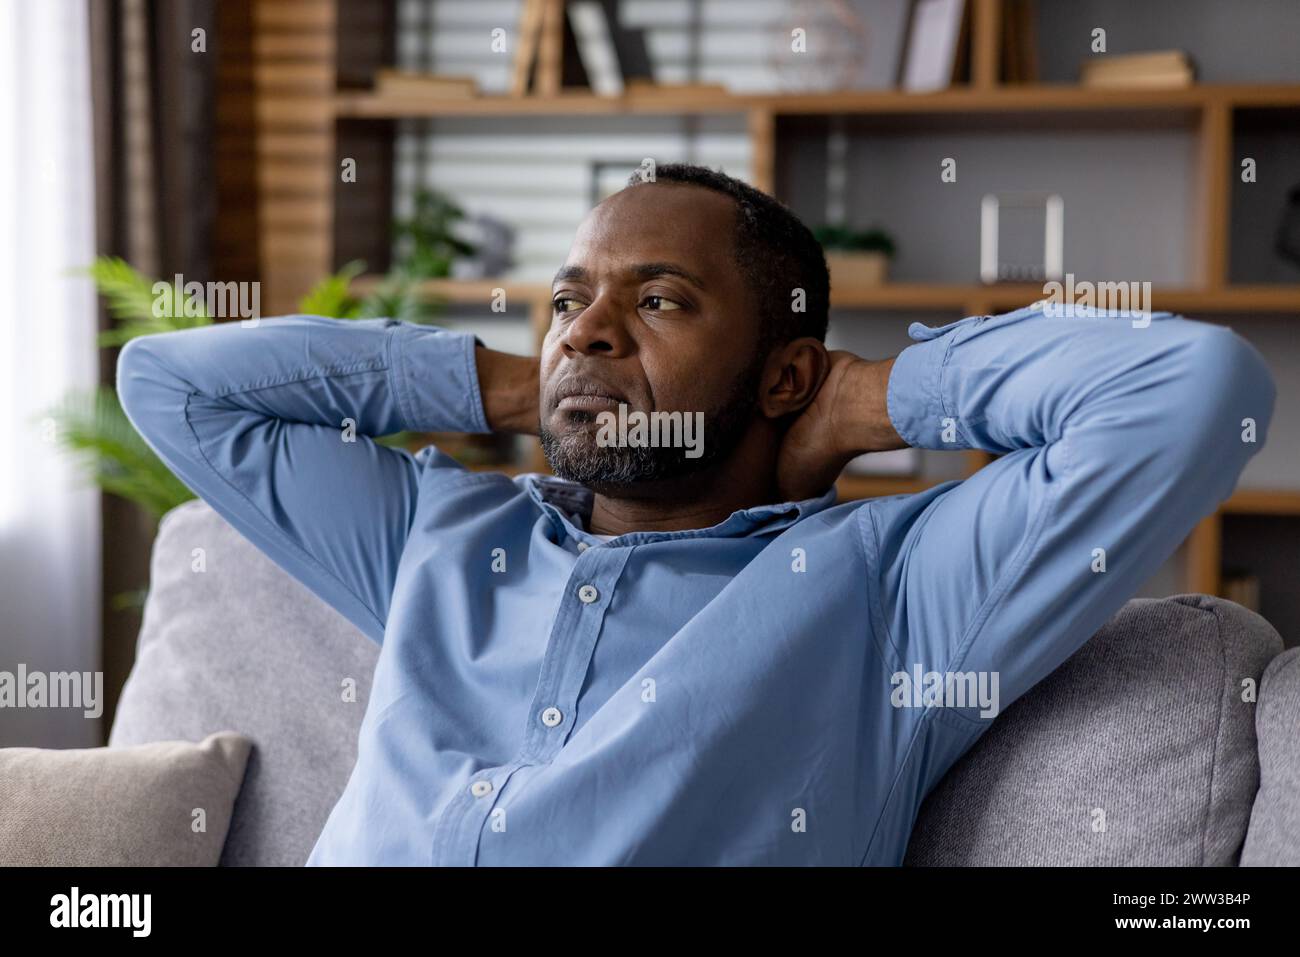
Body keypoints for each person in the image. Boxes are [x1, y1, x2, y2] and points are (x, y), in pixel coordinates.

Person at [116, 163, 1275, 865]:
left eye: (658, 300)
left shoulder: (894, 593)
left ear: (784, 376)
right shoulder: (441, 535)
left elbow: (1191, 393)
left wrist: (868, 400)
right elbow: (168, 385)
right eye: (571, 301)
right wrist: (523, 385)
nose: (587, 327)